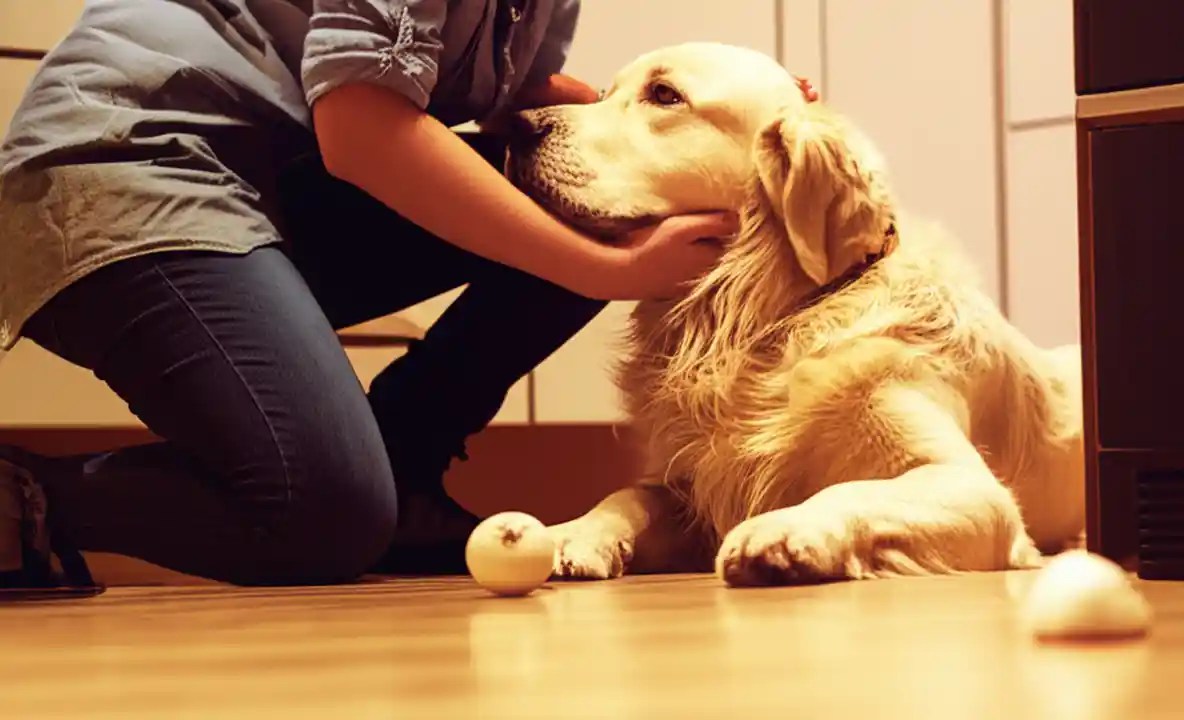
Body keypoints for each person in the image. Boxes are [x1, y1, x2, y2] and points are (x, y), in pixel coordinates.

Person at [0, 0, 817, 594]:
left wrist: (753, 112)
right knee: (319, 517)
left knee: (595, 199)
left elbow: (502, 92)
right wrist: (602, 273)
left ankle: (403, 469)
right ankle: (22, 504)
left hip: (262, 188)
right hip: (121, 172)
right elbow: (361, 127)